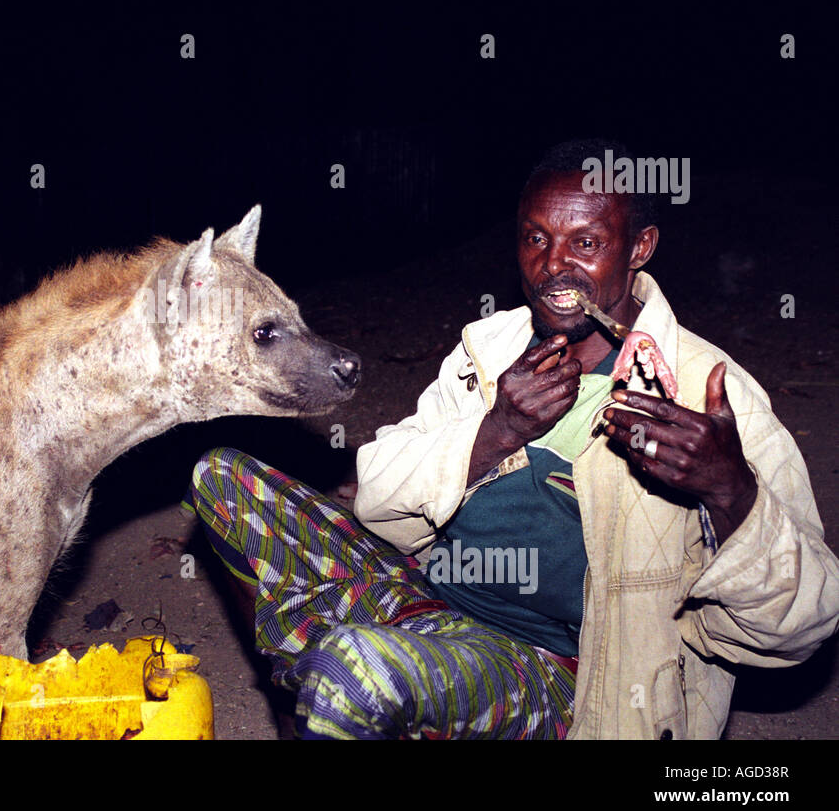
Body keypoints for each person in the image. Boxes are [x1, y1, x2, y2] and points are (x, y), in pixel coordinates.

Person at [182, 140, 839, 739]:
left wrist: (730, 491)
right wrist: (496, 432)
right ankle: (321, 700)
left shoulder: (707, 394)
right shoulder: (492, 350)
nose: (554, 266)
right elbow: (379, 497)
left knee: (356, 673)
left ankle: (352, 691)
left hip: (563, 674)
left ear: (639, 250)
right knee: (222, 478)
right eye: (536, 238)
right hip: (431, 598)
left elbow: (801, 627)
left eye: (586, 244)